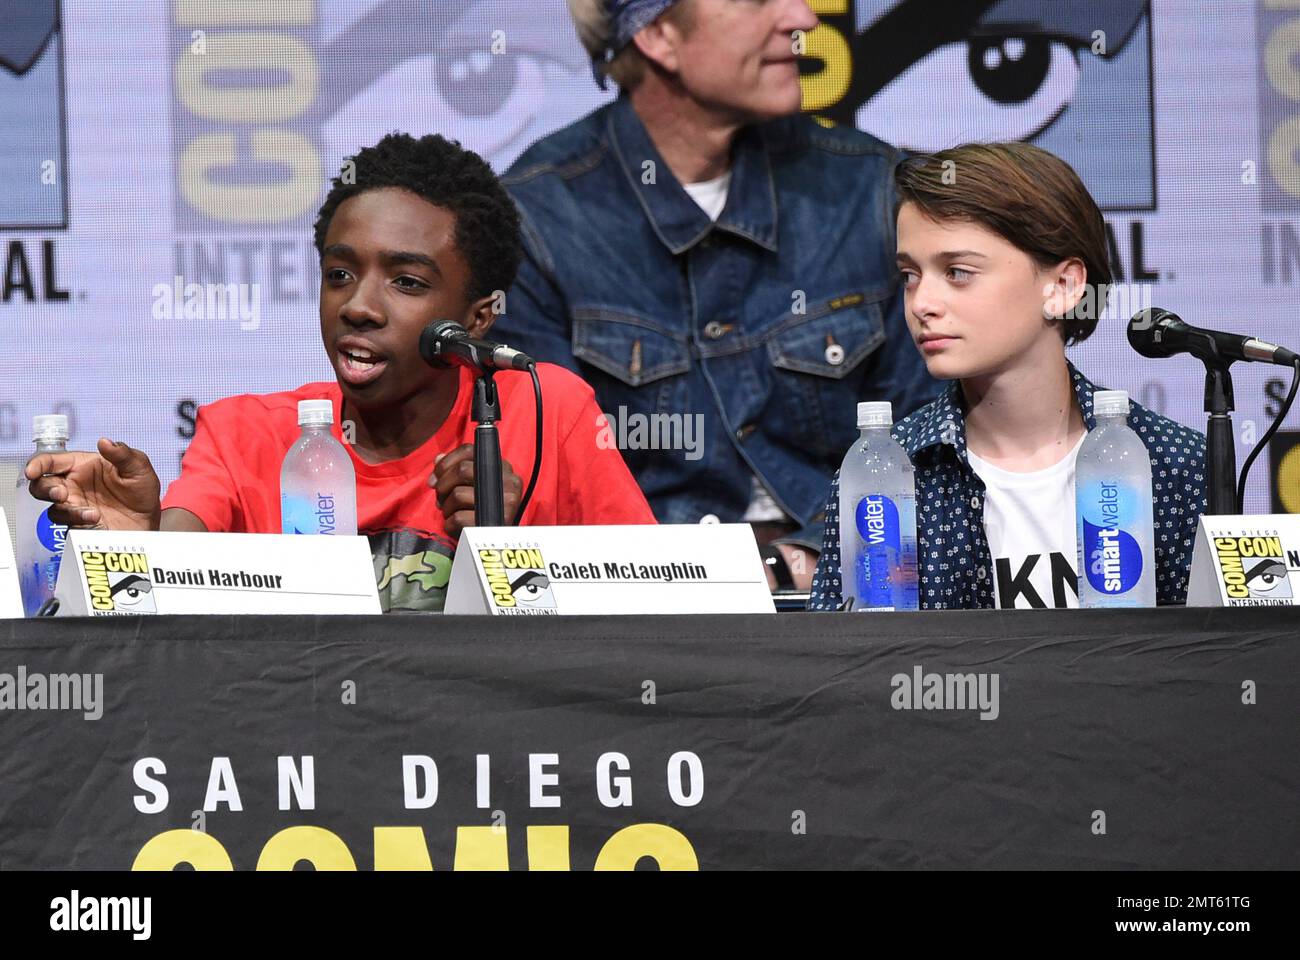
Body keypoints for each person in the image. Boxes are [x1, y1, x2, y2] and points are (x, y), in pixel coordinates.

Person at [25, 133, 656, 612]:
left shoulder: (549, 411)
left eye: (407, 282)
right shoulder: (244, 434)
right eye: (339, 275)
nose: (358, 305)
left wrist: (518, 548)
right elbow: (178, 567)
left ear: (481, 316)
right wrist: (141, 545)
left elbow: (657, 603)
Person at [493, 0, 939, 592]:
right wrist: (698, 582)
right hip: (643, 618)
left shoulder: (873, 191)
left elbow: (929, 446)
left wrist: (798, 563)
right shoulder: (535, 219)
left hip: (852, 600)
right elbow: (549, 493)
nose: (804, 20)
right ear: (657, 35)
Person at [808, 142, 1208, 610]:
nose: (921, 304)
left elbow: (1214, 664)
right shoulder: (883, 475)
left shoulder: (1175, 465)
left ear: (1062, 287)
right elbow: (846, 668)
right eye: (909, 275)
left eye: (957, 272)